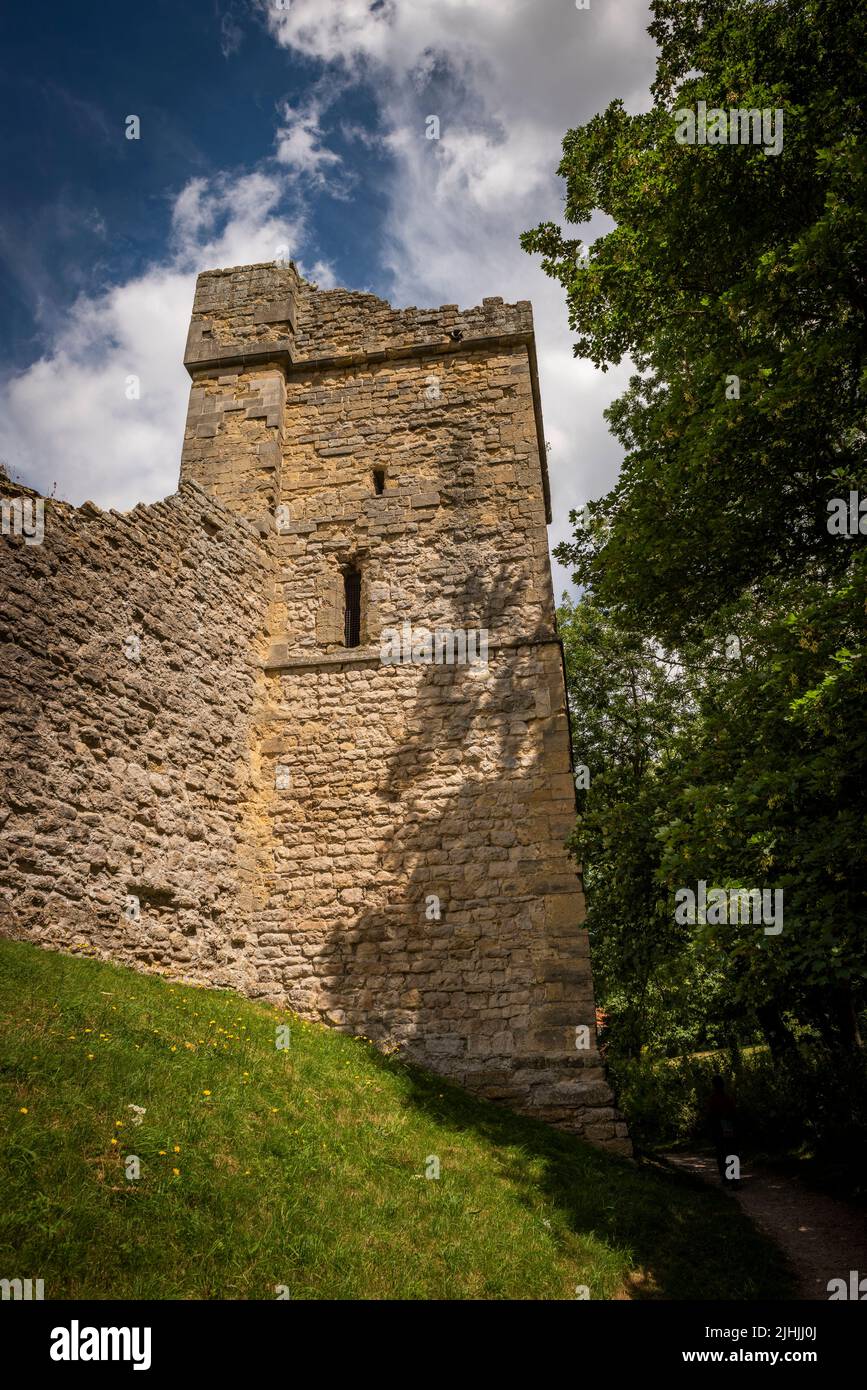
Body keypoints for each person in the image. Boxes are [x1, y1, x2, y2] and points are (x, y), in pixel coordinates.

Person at [707, 1074, 738, 1184]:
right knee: (731, 1151)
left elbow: (710, 1116)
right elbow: (734, 1114)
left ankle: (726, 1177)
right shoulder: (728, 1098)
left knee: (721, 1153)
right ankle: (733, 1178)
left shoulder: (713, 1099)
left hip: (718, 1129)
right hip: (728, 1127)